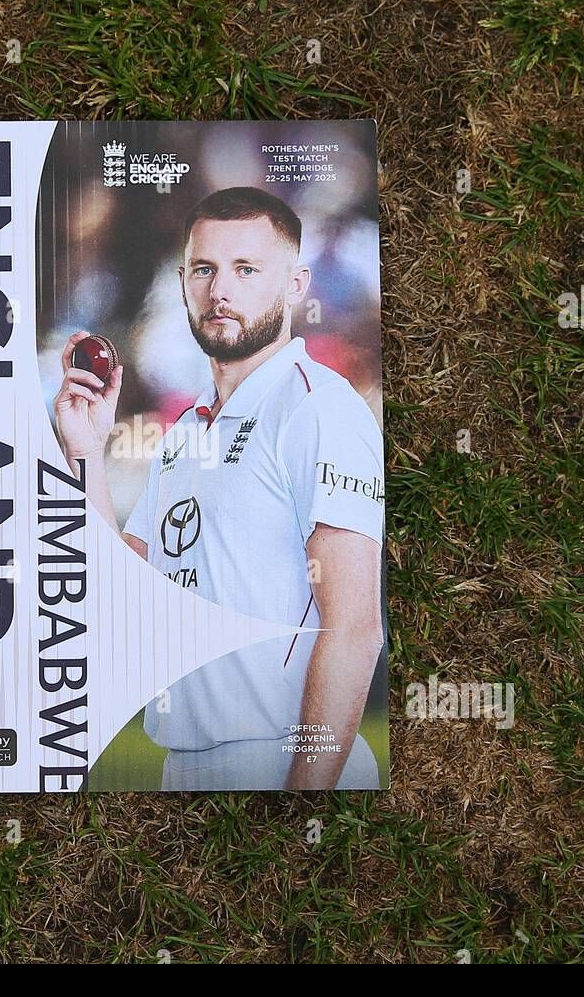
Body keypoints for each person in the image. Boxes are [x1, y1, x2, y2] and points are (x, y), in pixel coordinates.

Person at [54, 186, 384, 789]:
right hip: (183, 767)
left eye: (246, 269)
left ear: (295, 285)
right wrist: (86, 451)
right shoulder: (185, 432)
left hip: (282, 763)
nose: (220, 290)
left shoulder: (319, 409)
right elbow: (124, 594)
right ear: (182, 281)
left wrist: (304, 803)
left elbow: (355, 629)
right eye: (204, 269)